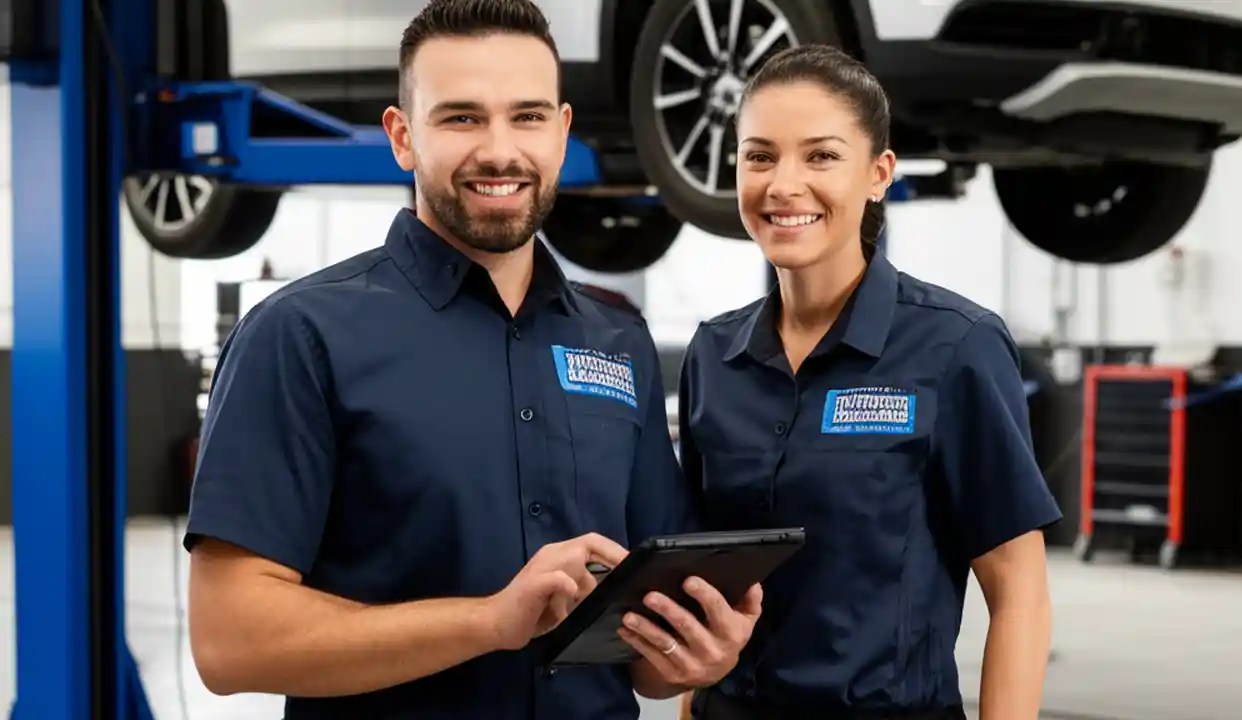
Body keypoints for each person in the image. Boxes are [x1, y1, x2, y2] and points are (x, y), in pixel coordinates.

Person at [183, 2, 762, 718]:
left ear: (561, 130)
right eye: (461, 118)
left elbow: (643, 655)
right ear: (402, 136)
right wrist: (489, 622)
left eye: (527, 116)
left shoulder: (616, 341)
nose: (499, 150)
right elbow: (230, 642)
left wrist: (697, 652)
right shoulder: (300, 335)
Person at [676, 46, 1062, 720]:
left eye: (820, 156)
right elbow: (702, 583)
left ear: (879, 173)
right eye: (759, 156)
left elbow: (1018, 590)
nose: (783, 184)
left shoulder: (956, 346)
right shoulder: (714, 354)